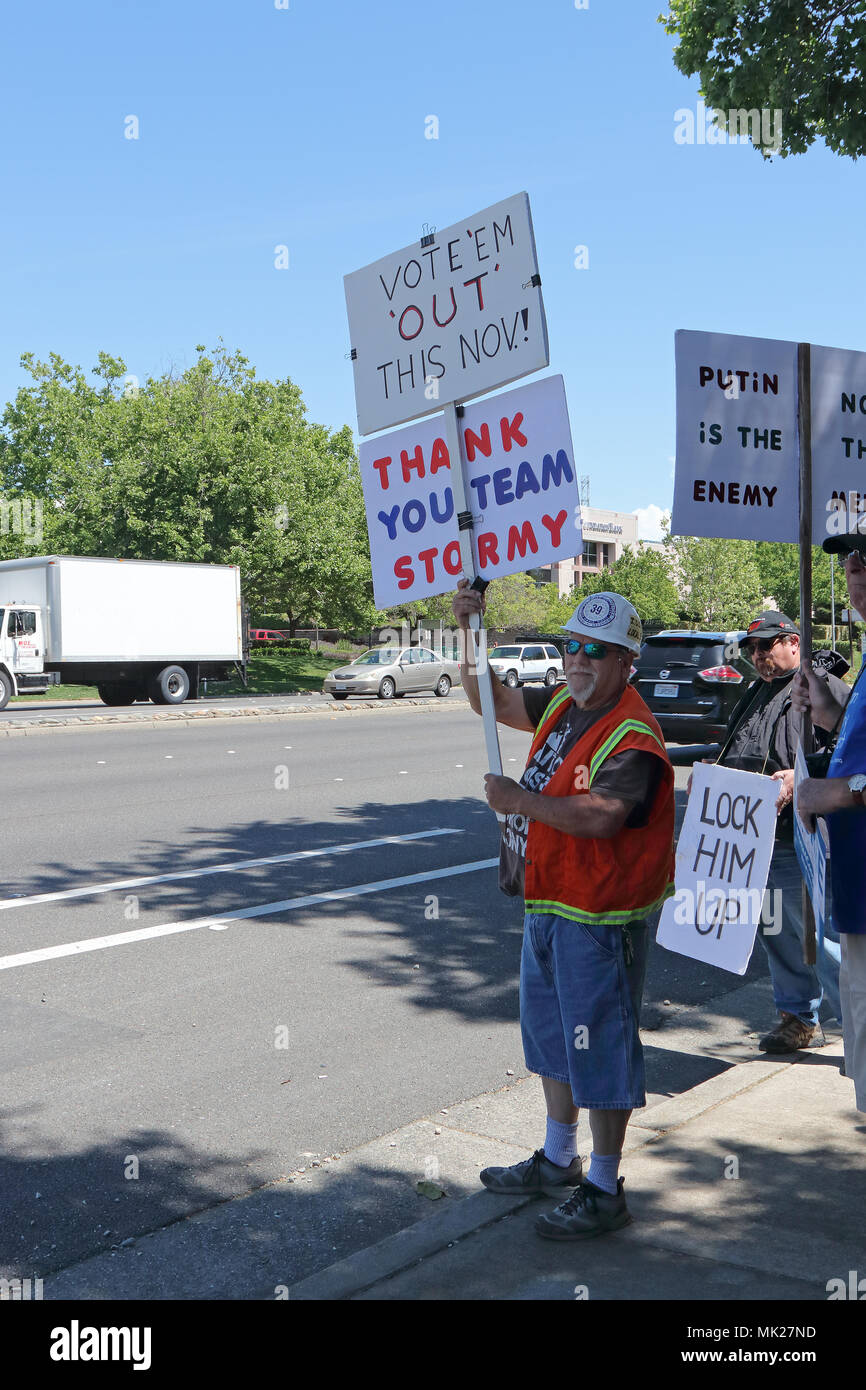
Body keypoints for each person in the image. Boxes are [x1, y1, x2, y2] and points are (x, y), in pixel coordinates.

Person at [452, 583, 675, 1239]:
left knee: (600, 1048)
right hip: (549, 900)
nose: (578, 659)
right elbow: (489, 700)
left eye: (595, 651)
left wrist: (520, 801)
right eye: (571, 645)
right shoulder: (563, 703)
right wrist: (470, 630)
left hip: (599, 917)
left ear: (626, 661)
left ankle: (604, 1188)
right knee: (553, 1040)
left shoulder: (632, 735)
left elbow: (603, 817)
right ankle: (558, 1157)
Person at [705, 611, 847, 1053]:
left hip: (802, 835)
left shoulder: (822, 686)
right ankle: (798, 1017)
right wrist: (712, 776)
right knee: (776, 932)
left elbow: (848, 755)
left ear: (793, 643)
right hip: (754, 839)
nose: (757, 655)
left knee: (823, 940)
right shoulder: (755, 692)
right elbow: (736, 751)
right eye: (751, 648)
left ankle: (857, 1021)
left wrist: (798, 776)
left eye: (765, 645)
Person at [795, 535, 866, 1113]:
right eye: (851, 561)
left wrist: (837, 792)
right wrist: (828, 711)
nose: (856, 570)